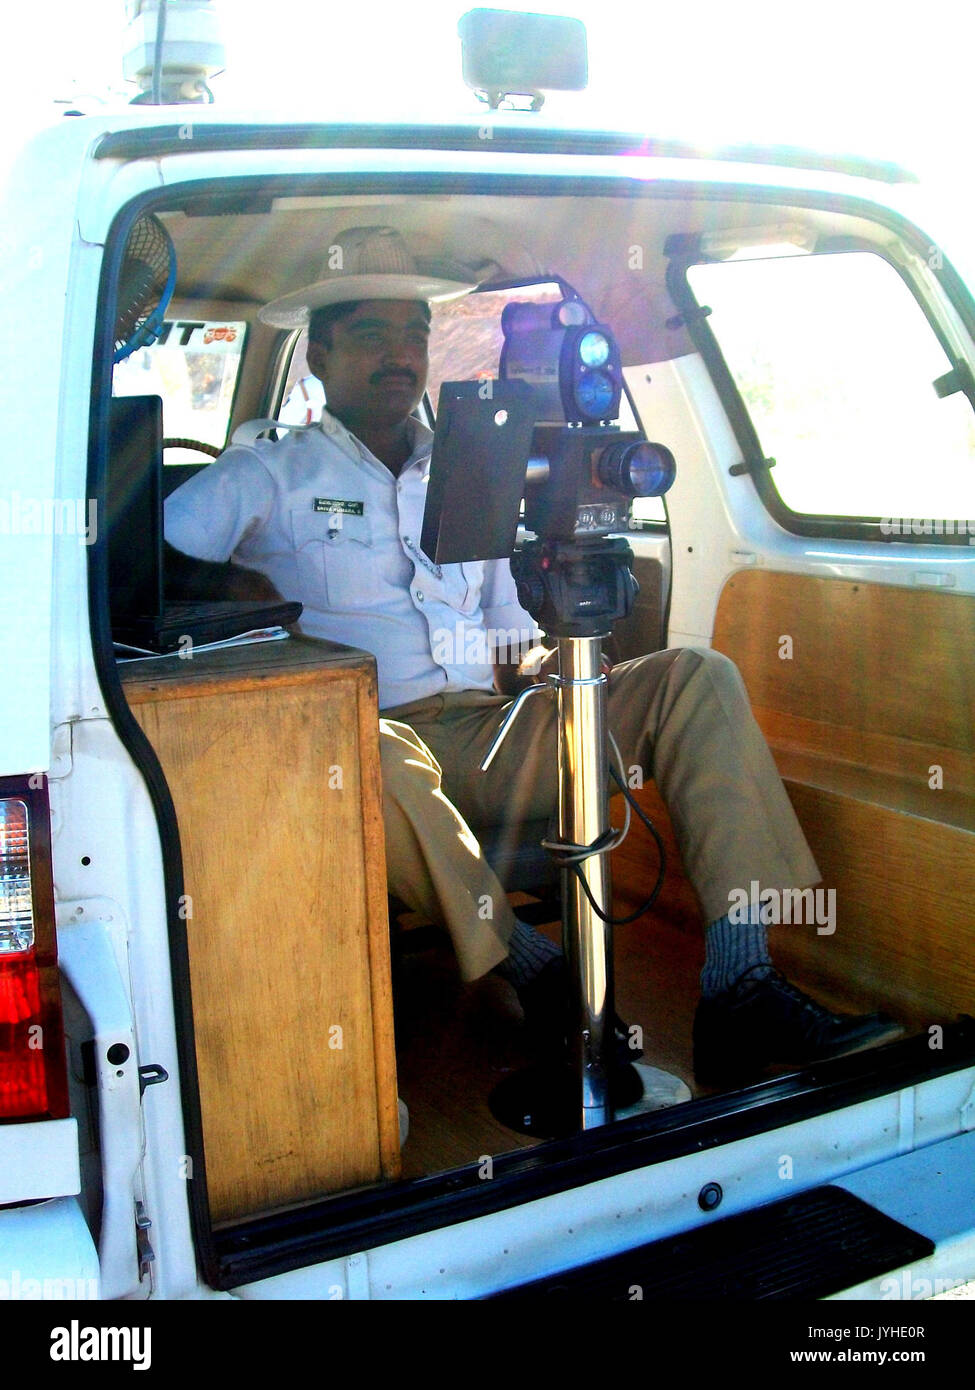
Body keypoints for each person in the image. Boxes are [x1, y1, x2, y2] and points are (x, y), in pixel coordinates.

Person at [164, 225, 900, 1088]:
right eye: (371, 336)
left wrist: (577, 675)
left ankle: (739, 980)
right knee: (367, 753)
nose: (399, 355)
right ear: (319, 359)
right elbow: (139, 567)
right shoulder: (266, 475)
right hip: (359, 739)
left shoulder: (470, 468)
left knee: (695, 677)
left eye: (414, 335)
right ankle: (536, 971)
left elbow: (511, 639)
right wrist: (248, 596)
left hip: (485, 728)